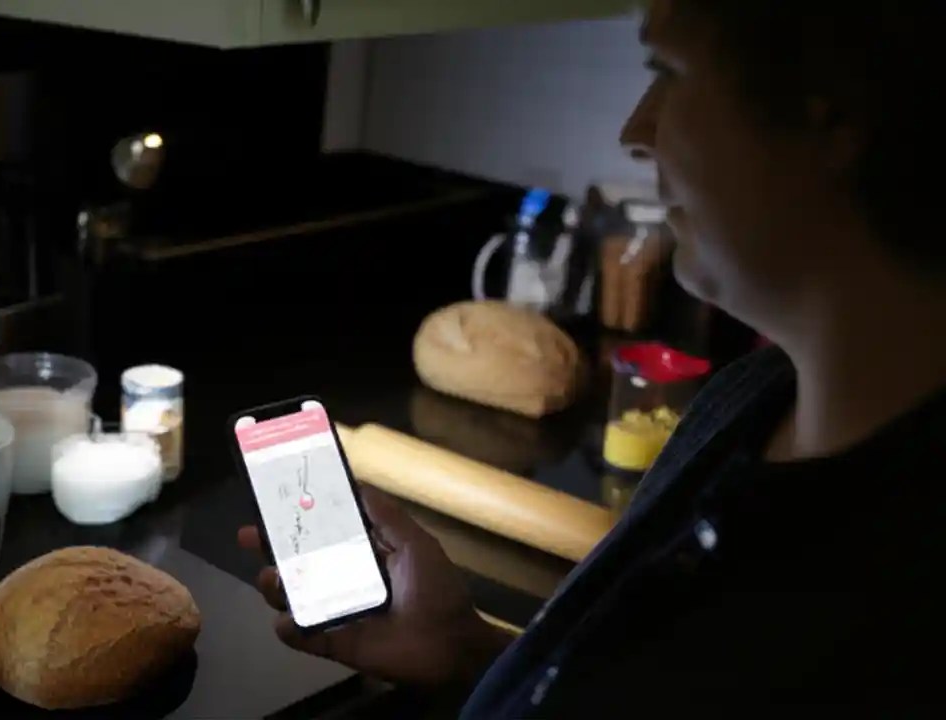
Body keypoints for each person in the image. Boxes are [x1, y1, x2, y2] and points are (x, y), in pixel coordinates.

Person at [238, 0, 946, 714]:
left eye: (667, 70)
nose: (636, 129)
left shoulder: (904, 599)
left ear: (834, 115)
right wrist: (470, 653)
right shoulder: (751, 396)